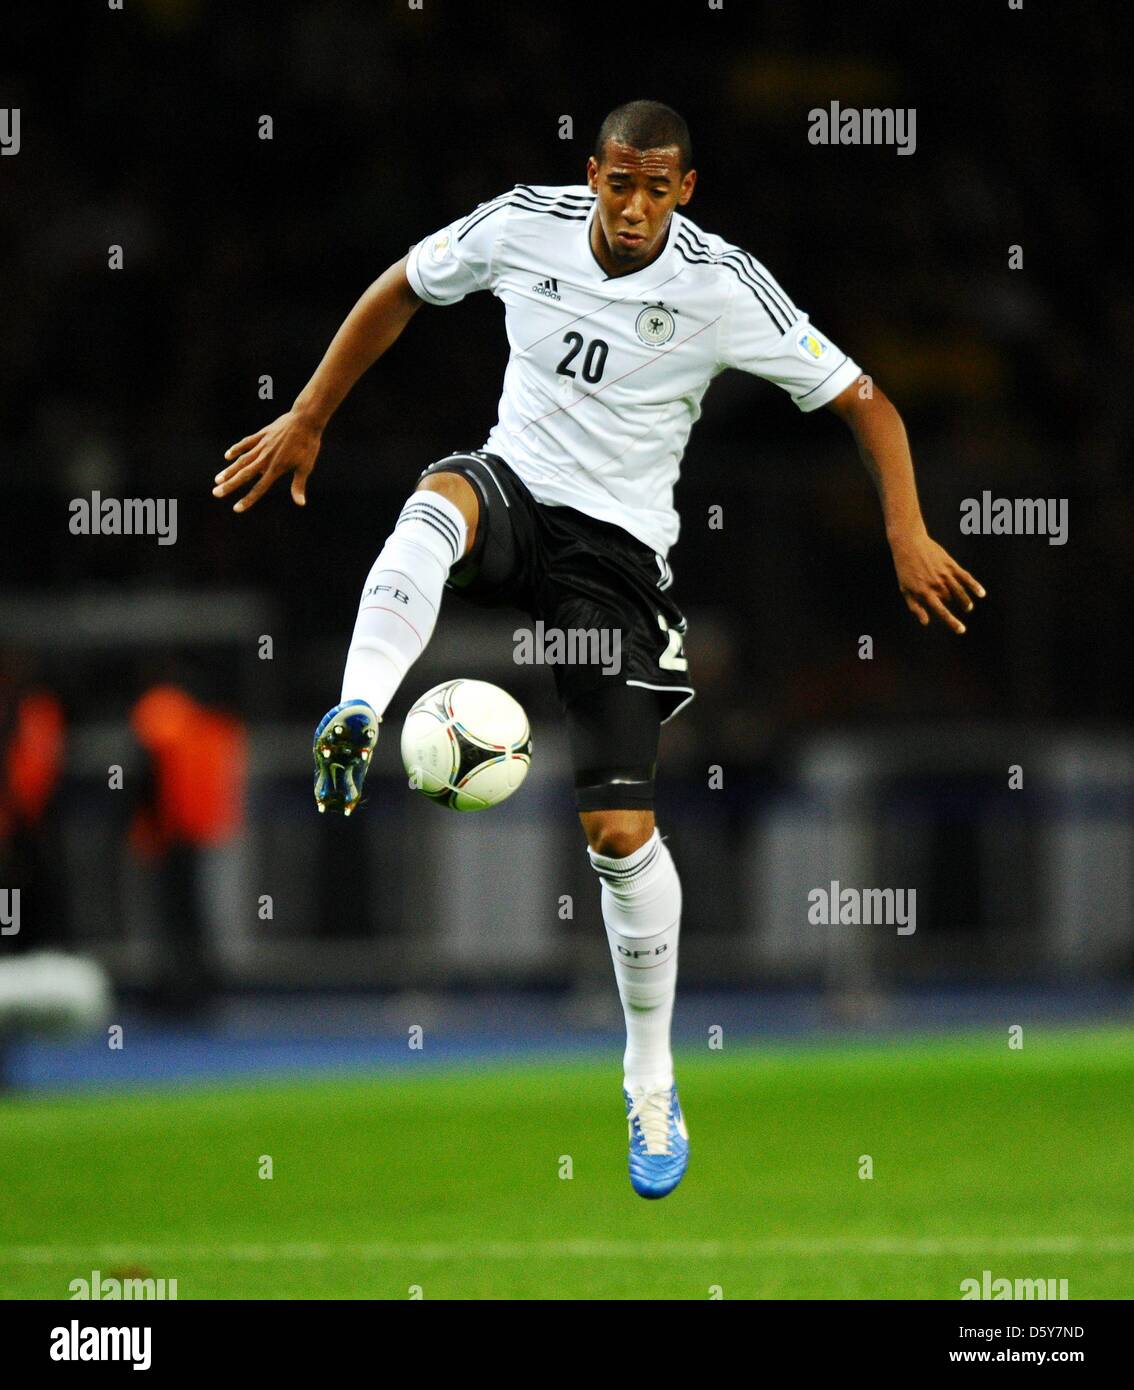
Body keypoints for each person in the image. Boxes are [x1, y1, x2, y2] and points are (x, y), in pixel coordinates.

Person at [213, 99, 984, 1199]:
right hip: (515, 489)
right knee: (438, 498)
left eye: (655, 188)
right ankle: (361, 708)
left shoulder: (723, 286)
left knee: (620, 834)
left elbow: (869, 401)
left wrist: (906, 531)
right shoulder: (523, 223)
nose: (632, 207)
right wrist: (311, 413)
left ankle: (652, 1079)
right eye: (617, 183)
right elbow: (400, 287)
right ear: (593, 172)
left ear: (686, 191)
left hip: (615, 560)